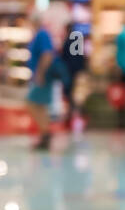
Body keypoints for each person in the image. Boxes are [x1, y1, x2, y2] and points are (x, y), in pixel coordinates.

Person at [25, 9, 59, 151]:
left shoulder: (42, 34)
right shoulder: (40, 34)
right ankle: (45, 134)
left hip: (43, 77)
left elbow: (47, 55)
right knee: (40, 105)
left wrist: (40, 73)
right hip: (41, 75)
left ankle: (45, 133)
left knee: (31, 102)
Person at [59, 23, 88, 127]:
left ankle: (72, 112)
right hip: (78, 70)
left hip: (70, 71)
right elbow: (82, 57)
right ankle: (80, 111)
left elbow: (64, 57)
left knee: (70, 92)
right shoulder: (78, 40)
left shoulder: (68, 41)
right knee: (77, 92)